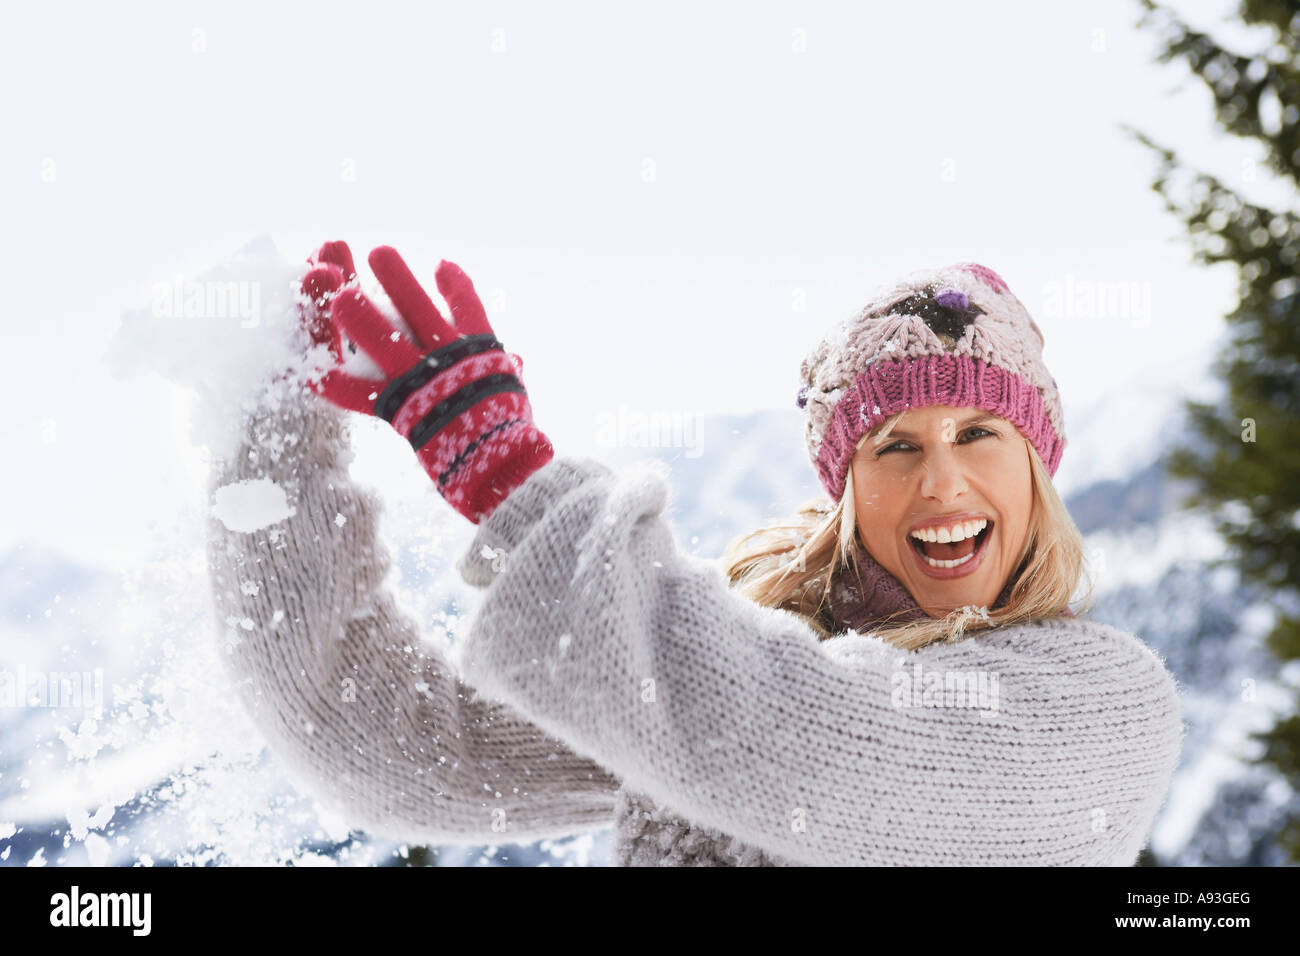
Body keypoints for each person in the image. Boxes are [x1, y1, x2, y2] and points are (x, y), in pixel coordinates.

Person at [205, 242, 1184, 866]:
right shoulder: (706, 669)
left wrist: (520, 487)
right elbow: (379, 742)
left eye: (980, 434)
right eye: (895, 445)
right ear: (844, 491)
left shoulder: (1102, 705)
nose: (941, 483)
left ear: (1036, 473)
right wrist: (275, 428)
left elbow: (831, 753)